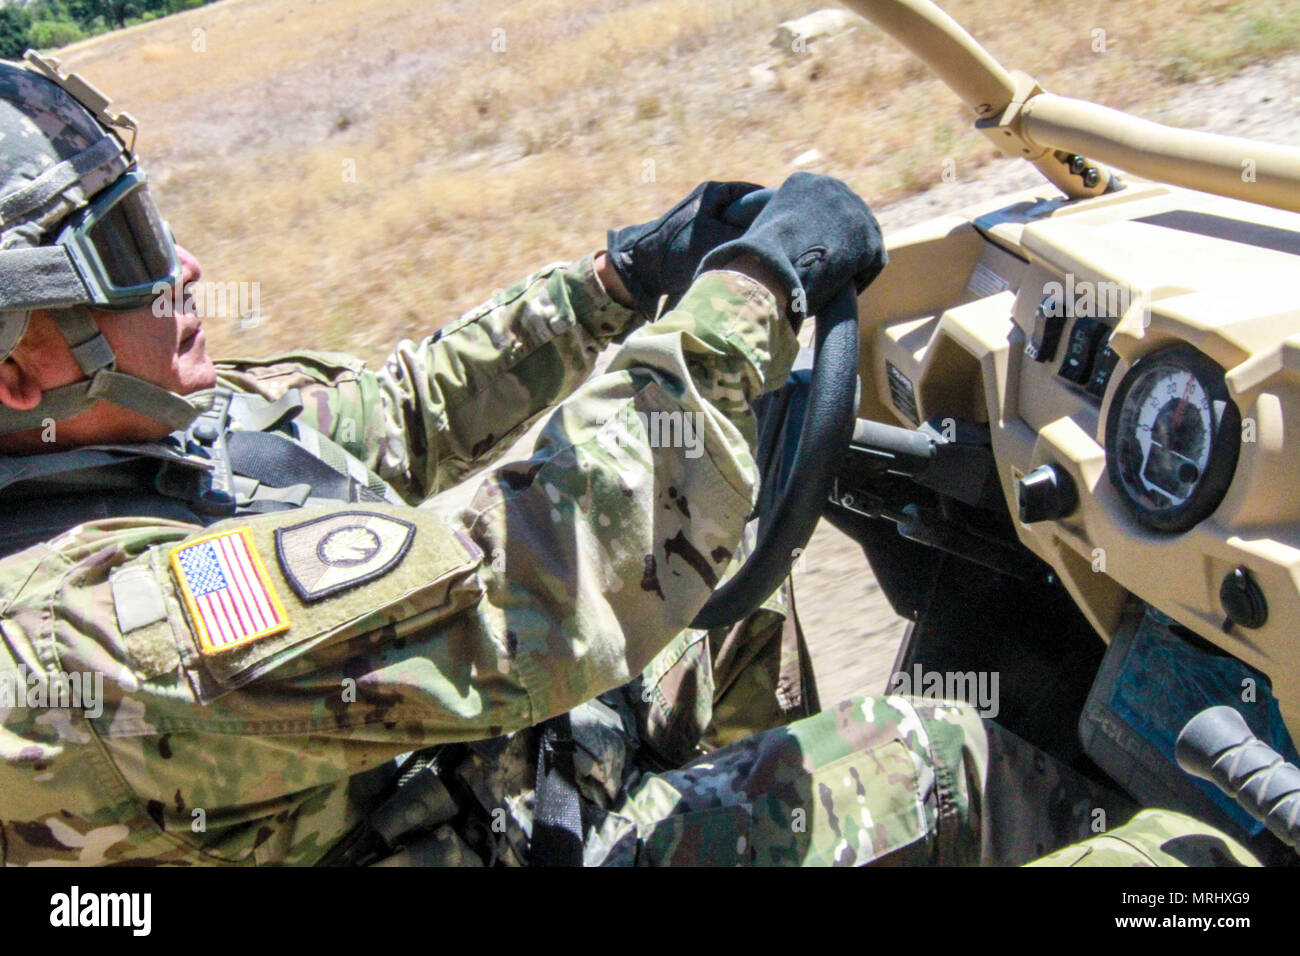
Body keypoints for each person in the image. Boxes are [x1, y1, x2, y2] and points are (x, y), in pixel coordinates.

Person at [0, 54, 1259, 868]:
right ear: (18, 369)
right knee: (950, 754)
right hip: (500, 812)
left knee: (719, 604)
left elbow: (396, 408)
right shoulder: (89, 643)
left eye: (154, 218)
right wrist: (750, 295)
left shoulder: (125, 437)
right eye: (124, 249)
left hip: (471, 778)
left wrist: (616, 281)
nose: (186, 274)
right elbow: (531, 582)